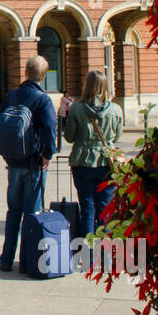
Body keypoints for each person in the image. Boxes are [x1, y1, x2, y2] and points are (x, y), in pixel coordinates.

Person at [0, 55, 57, 273]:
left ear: (26, 72)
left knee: (13, 212)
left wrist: (9, 153)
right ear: (44, 75)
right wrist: (47, 155)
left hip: (13, 163)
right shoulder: (42, 99)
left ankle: (6, 259)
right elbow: (49, 131)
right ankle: (28, 261)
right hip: (34, 163)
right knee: (32, 213)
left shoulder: (12, 95)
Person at [63, 69, 124, 244]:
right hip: (107, 163)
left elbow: (69, 137)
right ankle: (104, 253)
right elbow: (117, 137)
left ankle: (87, 254)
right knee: (105, 209)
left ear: (87, 86)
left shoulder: (77, 108)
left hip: (82, 161)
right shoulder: (116, 109)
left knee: (87, 209)